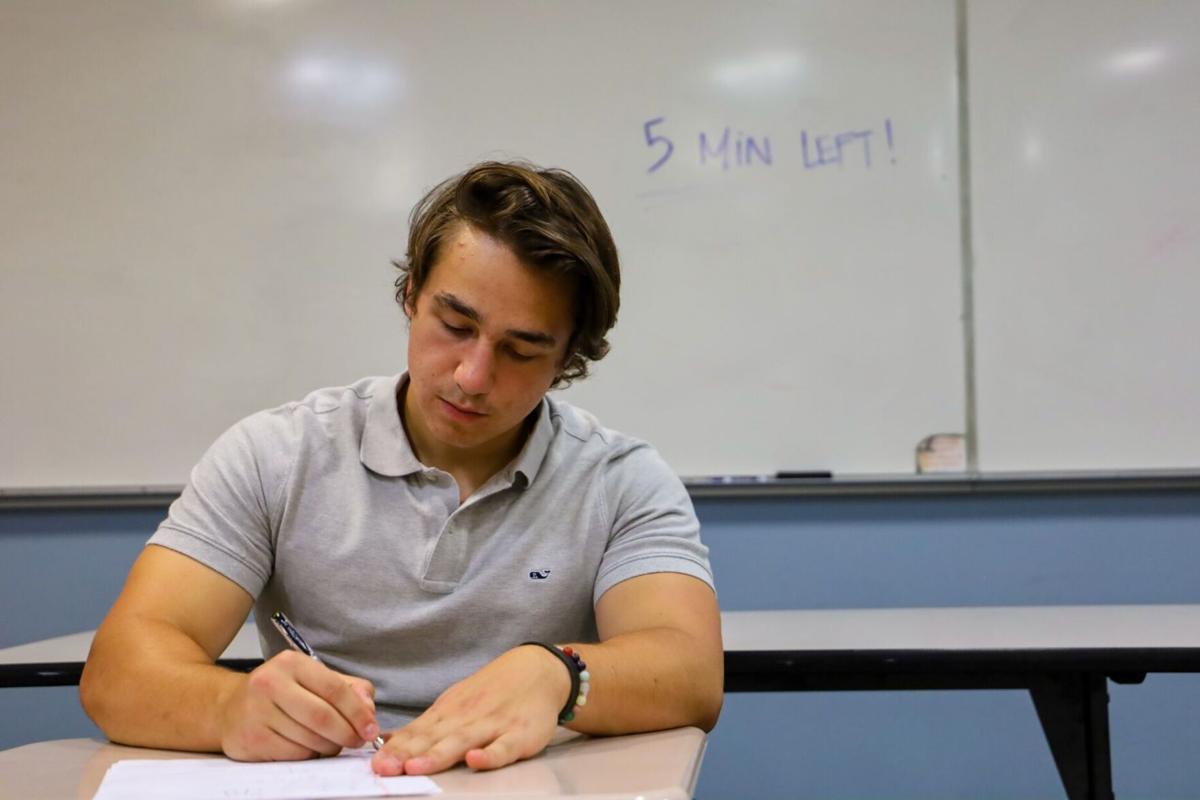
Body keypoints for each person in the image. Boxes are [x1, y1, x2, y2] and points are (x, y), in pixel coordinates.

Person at [80, 161, 723, 777]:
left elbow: (691, 674)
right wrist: (227, 707)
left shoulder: (620, 481)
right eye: (454, 324)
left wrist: (560, 675)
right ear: (411, 294)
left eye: (522, 350)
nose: (472, 377)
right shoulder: (277, 454)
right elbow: (119, 673)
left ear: (568, 358)